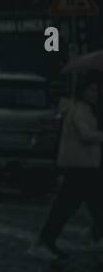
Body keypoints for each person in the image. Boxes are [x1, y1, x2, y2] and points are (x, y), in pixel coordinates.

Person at [31, 79, 102, 259]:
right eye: (91, 90)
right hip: (79, 166)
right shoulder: (78, 109)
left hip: (86, 165)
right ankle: (46, 241)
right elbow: (85, 135)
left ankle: (94, 235)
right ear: (83, 91)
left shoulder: (86, 109)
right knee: (68, 207)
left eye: (96, 90)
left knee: (86, 205)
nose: (94, 94)